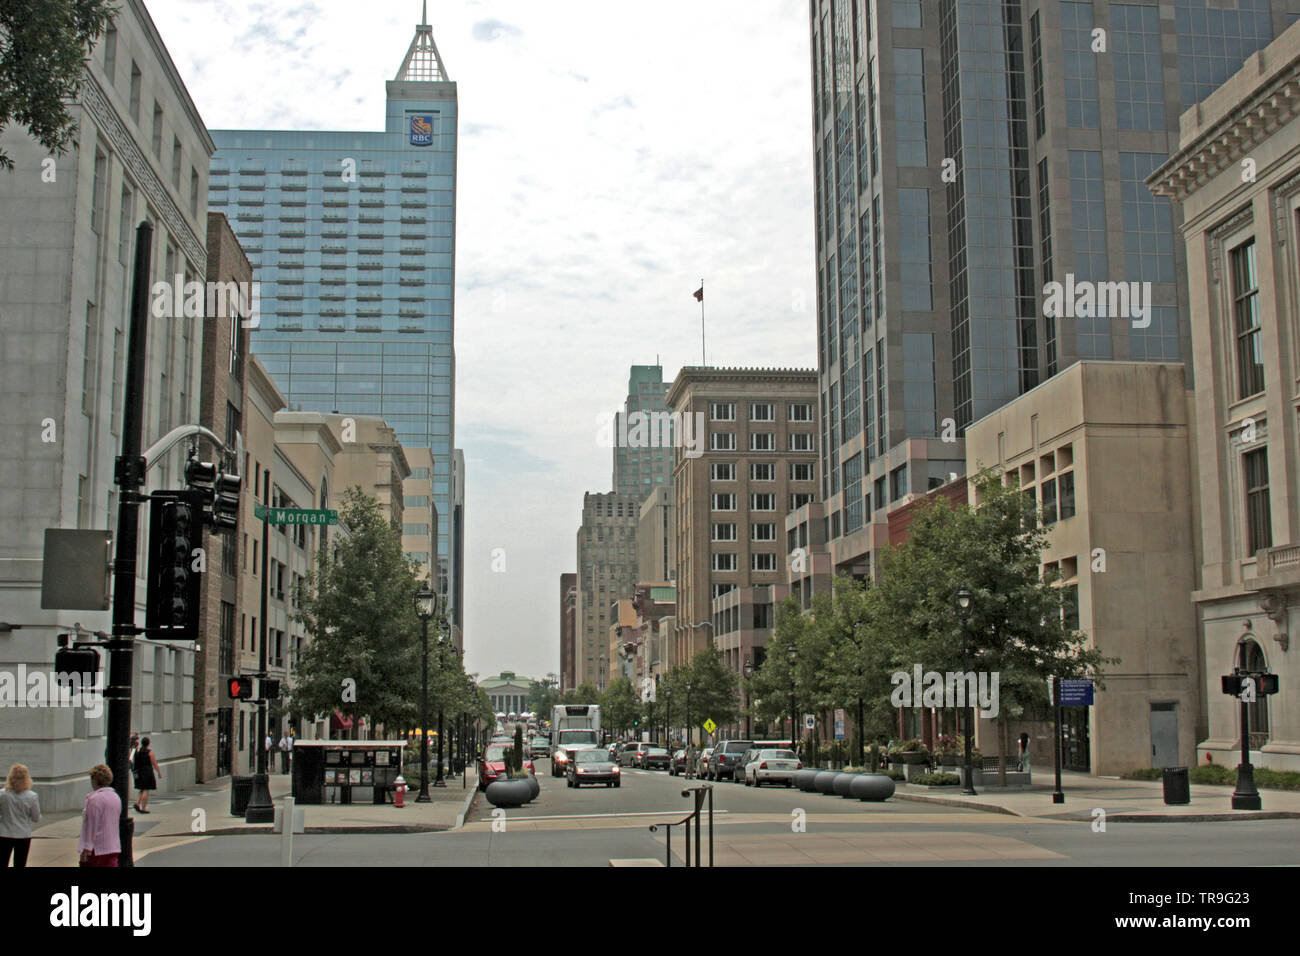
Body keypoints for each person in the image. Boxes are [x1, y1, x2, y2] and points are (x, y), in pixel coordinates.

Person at [78, 764, 121, 867]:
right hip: (113, 847)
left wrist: (87, 849)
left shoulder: (94, 800)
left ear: (94, 780)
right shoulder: (116, 797)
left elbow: (91, 826)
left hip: (97, 849)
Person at [0, 764, 41, 868]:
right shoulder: (32, 796)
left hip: (4, 833)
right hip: (23, 834)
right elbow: (36, 818)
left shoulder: (3, 794)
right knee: (20, 863)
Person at [132, 736, 161, 812]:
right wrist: (159, 772)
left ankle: (137, 803)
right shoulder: (150, 752)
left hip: (138, 771)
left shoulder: (137, 751)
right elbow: (154, 763)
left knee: (141, 788)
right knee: (146, 789)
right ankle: (143, 808)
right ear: (148, 744)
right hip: (147, 771)